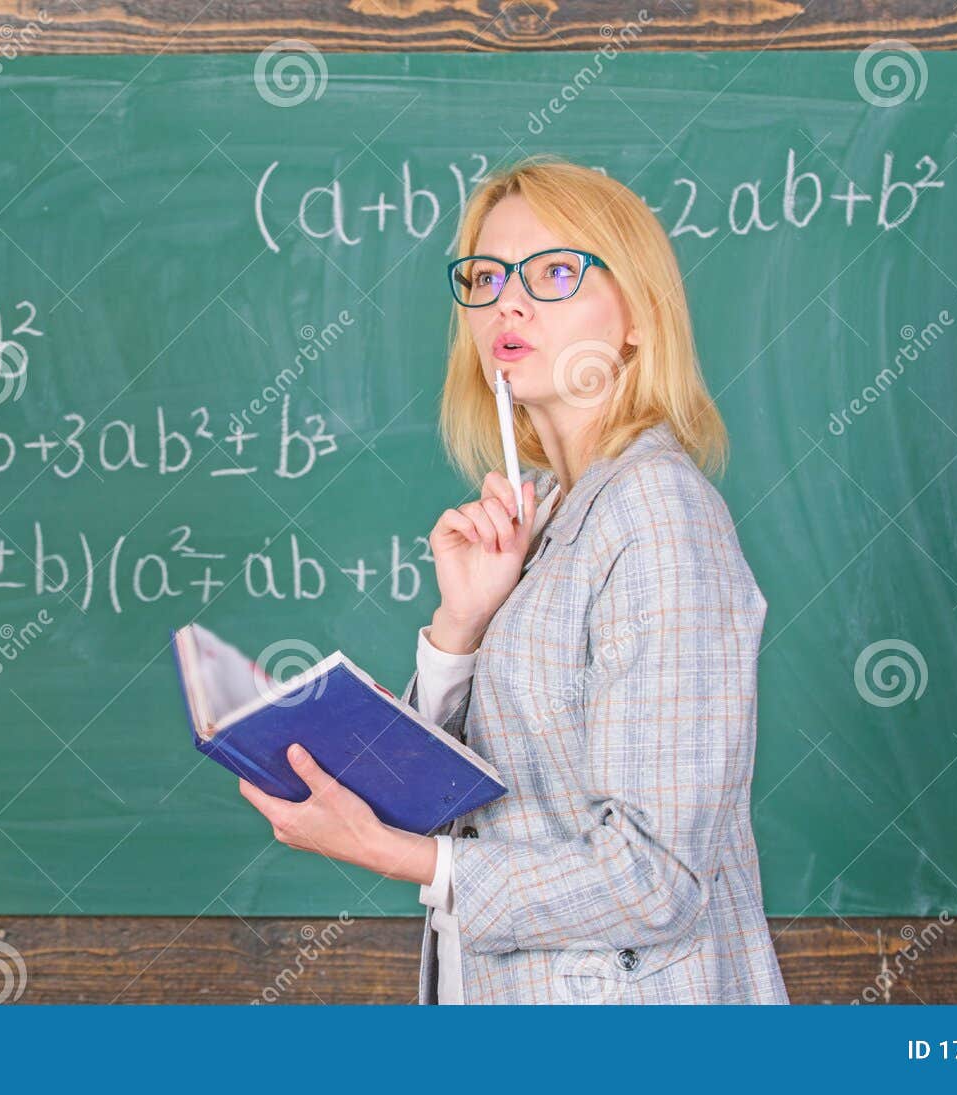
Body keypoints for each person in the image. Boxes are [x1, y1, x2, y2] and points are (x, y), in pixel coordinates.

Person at [237, 154, 787, 1004]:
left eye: (556, 272)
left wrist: (398, 857)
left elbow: (658, 877)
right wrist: (460, 627)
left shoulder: (657, 511)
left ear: (637, 317)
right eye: (487, 276)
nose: (509, 302)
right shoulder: (550, 513)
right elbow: (454, 798)